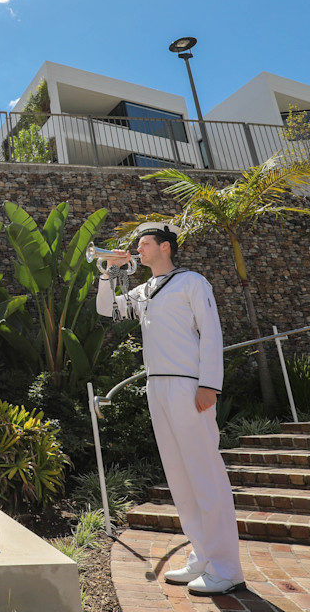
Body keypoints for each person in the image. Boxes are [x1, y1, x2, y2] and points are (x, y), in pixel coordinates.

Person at [95, 220, 245, 597]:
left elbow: (211, 332)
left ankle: (226, 568)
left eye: (144, 243)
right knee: (179, 476)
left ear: (165, 247)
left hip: (188, 384)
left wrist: (209, 384)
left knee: (205, 474)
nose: (138, 249)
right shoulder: (145, 290)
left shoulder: (193, 281)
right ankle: (202, 556)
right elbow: (106, 311)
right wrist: (107, 274)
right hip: (157, 385)